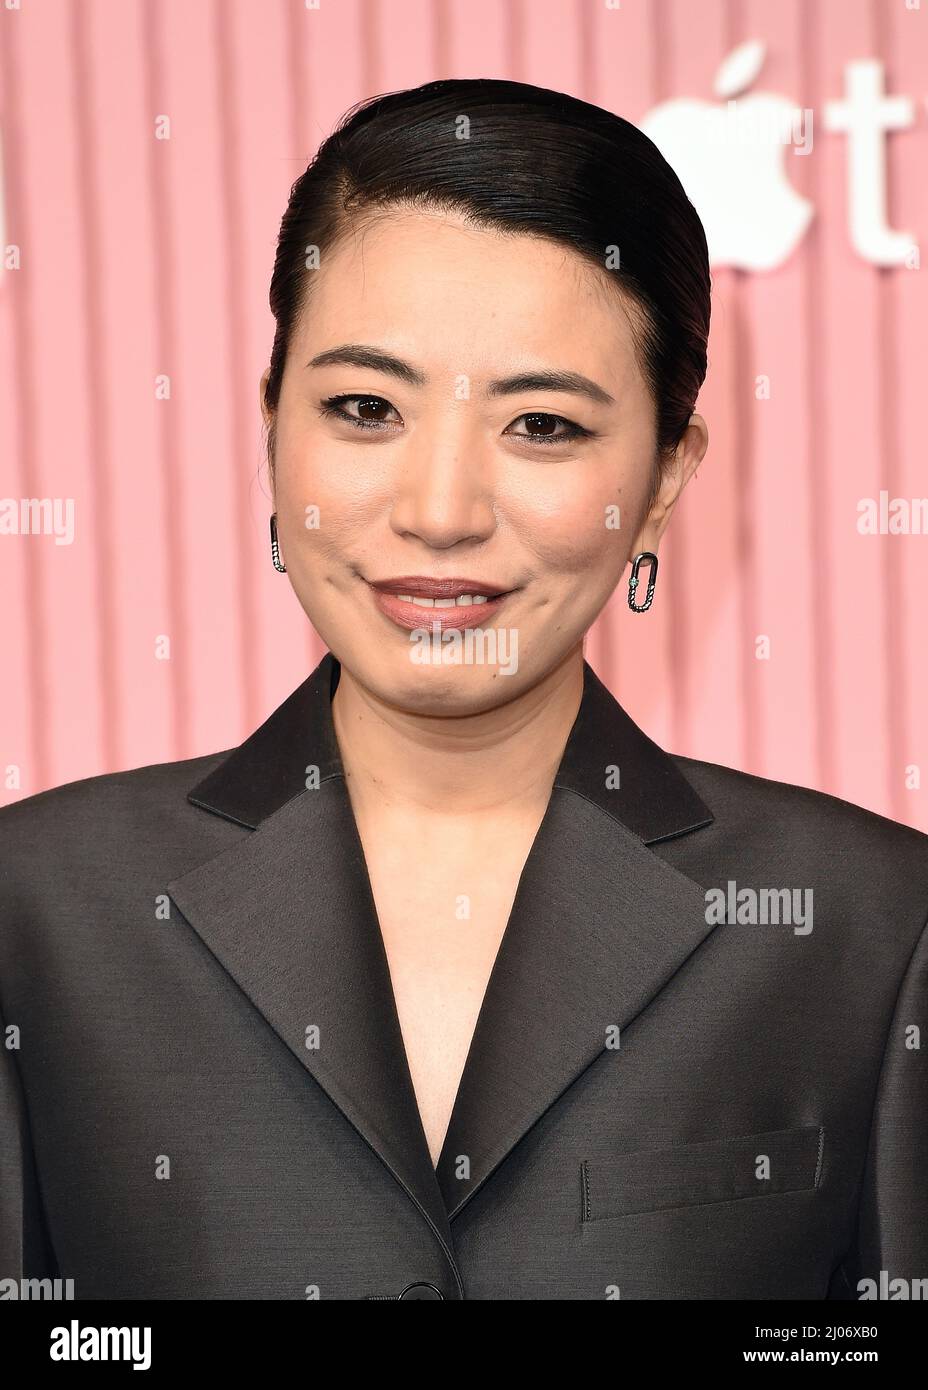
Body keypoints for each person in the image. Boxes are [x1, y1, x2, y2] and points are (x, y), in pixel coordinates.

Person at [1, 78, 926, 1302]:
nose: (439, 511)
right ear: (270, 423)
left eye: (541, 425)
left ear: (662, 475)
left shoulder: (867, 921)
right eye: (364, 407)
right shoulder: (42, 905)